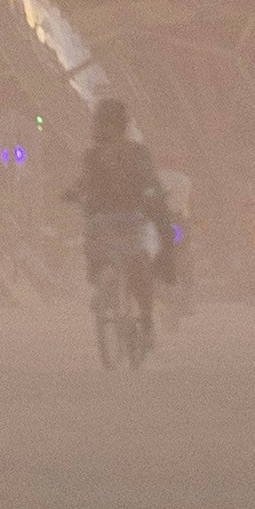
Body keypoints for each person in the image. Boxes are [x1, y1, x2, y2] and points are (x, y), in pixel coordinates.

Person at [63, 94, 180, 335]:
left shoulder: (112, 154)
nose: (96, 127)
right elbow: (85, 182)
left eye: (100, 122)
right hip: (119, 219)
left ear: (112, 124)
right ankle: (147, 308)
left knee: (130, 259)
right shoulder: (128, 152)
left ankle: (146, 311)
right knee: (141, 255)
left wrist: (75, 193)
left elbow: (85, 182)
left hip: (119, 220)